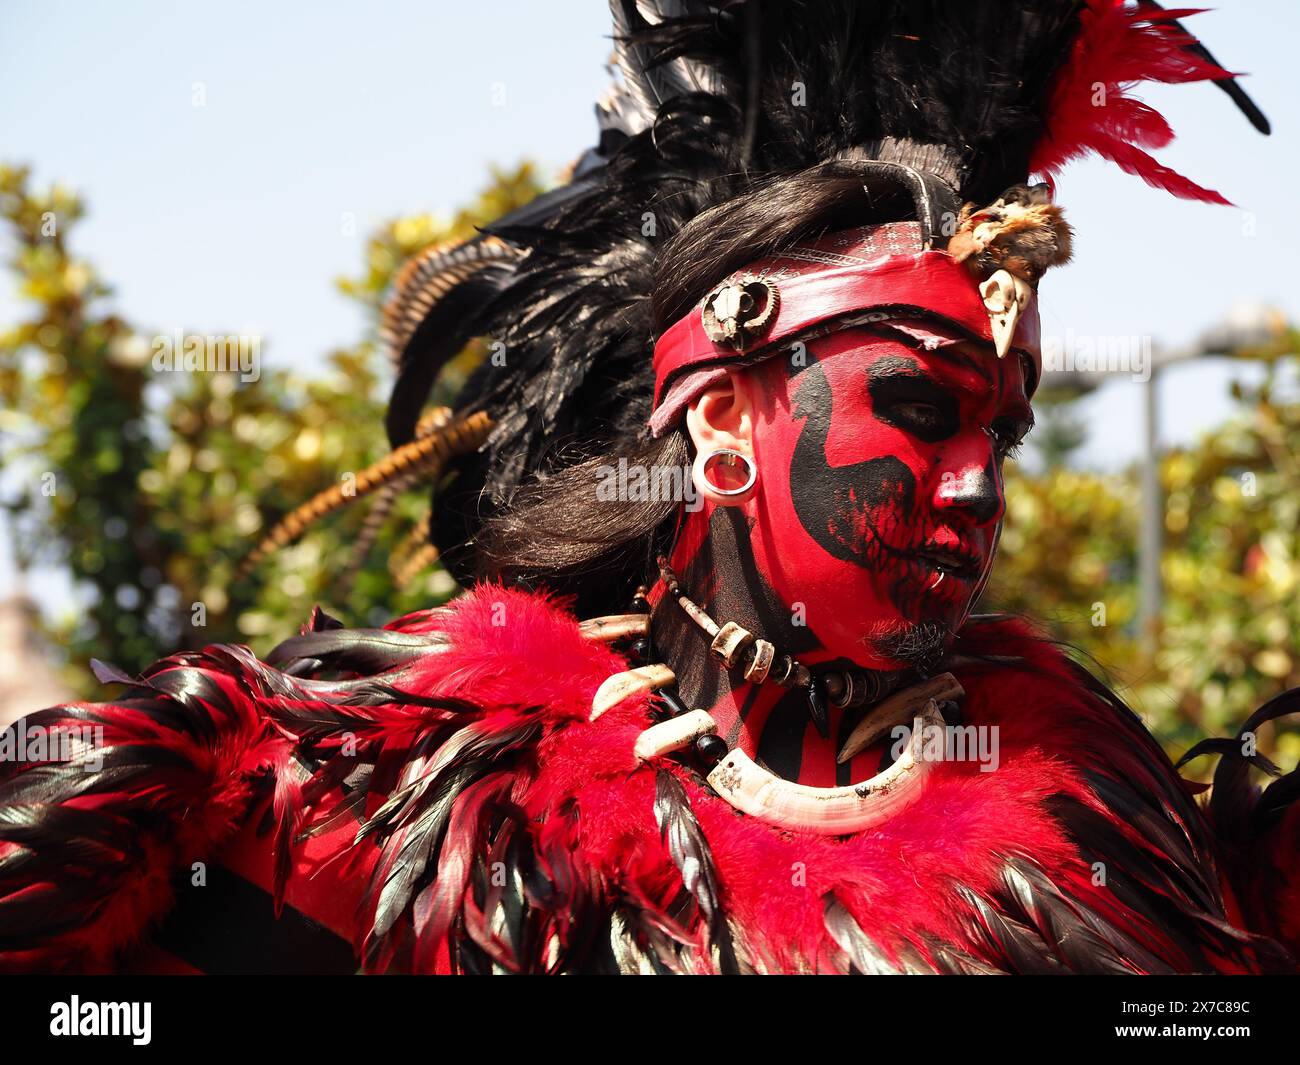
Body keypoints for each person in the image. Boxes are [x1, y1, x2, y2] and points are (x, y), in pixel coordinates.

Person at [2, 0, 1294, 975]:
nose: (975, 485)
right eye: (918, 407)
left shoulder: (1102, 818)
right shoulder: (407, 816)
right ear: (723, 418)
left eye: (1003, 435)